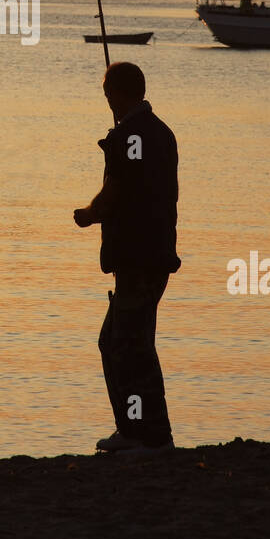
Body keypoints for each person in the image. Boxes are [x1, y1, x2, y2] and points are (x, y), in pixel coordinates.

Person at [73, 61, 180, 456]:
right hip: (151, 255)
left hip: (140, 257)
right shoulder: (160, 133)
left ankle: (150, 436)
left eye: (108, 95)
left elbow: (115, 192)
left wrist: (88, 215)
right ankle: (132, 429)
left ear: (119, 94)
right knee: (117, 342)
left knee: (130, 346)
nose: (107, 103)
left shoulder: (130, 136)